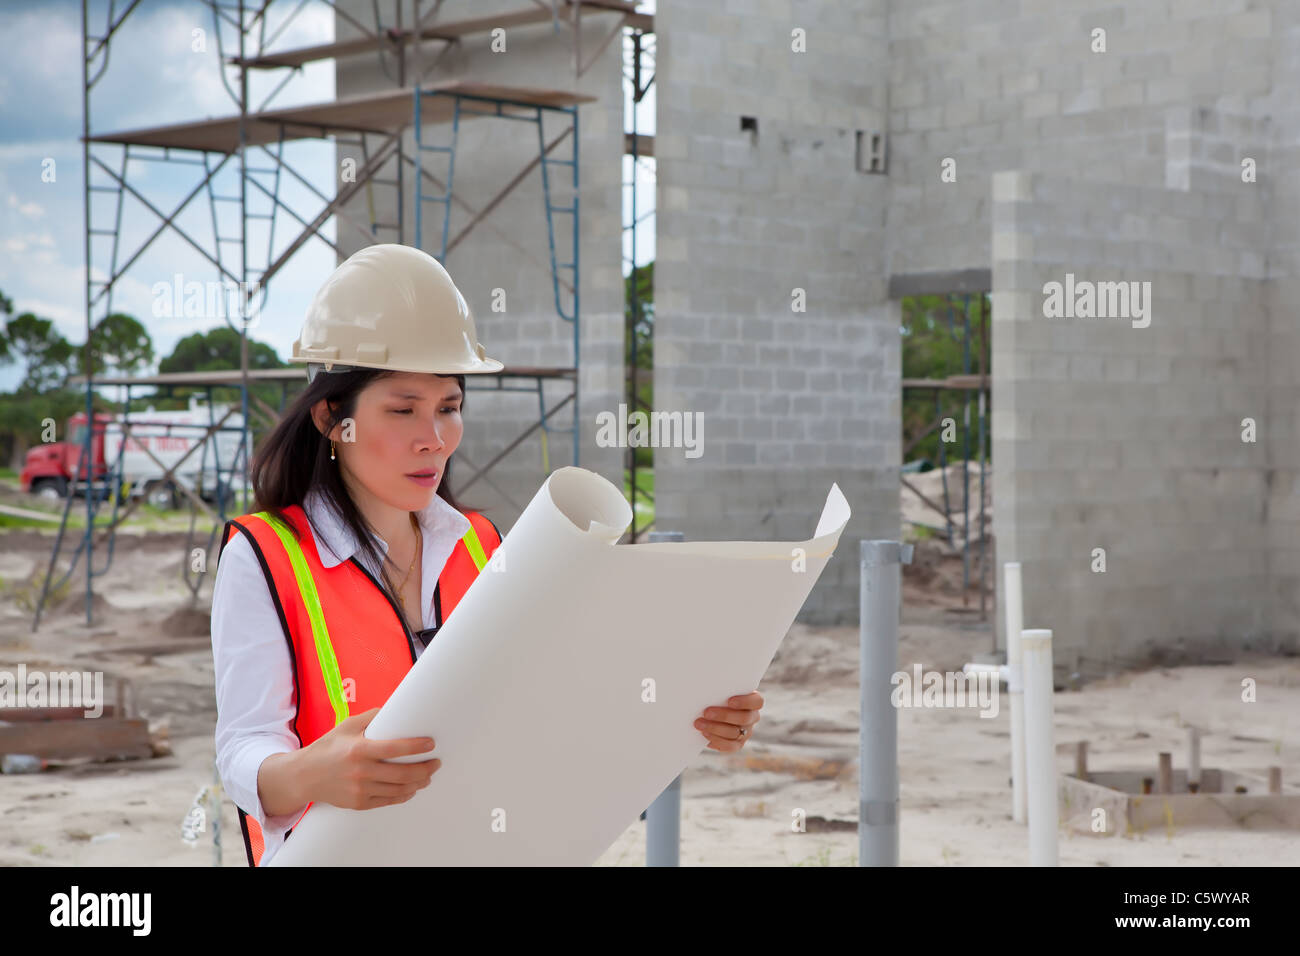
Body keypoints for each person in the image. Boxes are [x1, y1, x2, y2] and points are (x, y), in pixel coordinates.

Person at [211, 243, 764, 866]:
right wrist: (314, 774)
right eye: (403, 410)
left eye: (450, 407)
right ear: (332, 420)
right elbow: (242, 752)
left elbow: (549, 712)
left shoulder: (482, 546)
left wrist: (685, 720)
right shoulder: (263, 556)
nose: (435, 438)